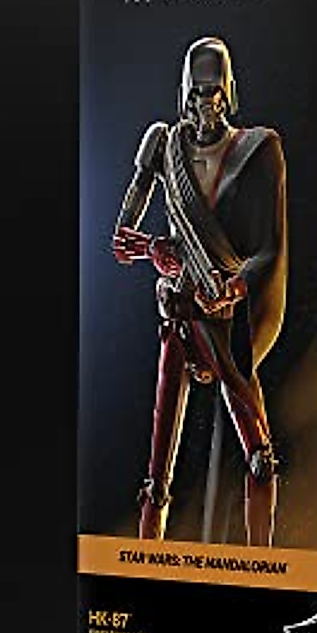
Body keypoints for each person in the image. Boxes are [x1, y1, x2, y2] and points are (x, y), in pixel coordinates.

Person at [112, 37, 287, 546]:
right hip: (181, 311)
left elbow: (269, 249)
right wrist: (153, 248)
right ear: (183, 93)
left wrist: (234, 288)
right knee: (155, 480)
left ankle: (262, 566)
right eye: (196, 94)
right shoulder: (164, 144)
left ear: (227, 91)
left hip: (225, 319)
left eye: (212, 93)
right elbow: (122, 235)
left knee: (259, 457)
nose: (204, 104)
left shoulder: (256, 149)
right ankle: (147, 563)